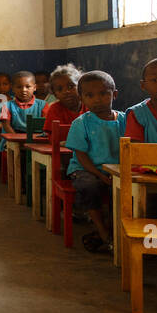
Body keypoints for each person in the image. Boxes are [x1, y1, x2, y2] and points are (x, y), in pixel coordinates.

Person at [64, 71, 124, 253]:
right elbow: (81, 155)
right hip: (87, 169)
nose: (97, 99)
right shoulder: (81, 123)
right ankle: (103, 231)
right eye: (89, 95)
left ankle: (118, 234)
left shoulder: (125, 119)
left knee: (126, 192)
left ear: (114, 94)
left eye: (104, 94)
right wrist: (100, 174)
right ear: (81, 98)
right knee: (90, 186)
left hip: (117, 170)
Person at [0, 71, 46, 151]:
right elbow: (6, 126)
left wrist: (33, 140)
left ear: (34, 87)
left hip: (36, 140)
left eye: (28, 87)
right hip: (13, 139)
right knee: (12, 150)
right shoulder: (6, 105)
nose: (24, 90)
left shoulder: (43, 105)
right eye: (19, 87)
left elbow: (46, 126)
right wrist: (18, 141)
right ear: (13, 88)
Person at [43, 64, 84, 135]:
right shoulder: (54, 109)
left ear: (80, 87)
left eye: (71, 86)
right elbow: (53, 135)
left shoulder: (90, 107)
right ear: (55, 94)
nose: (66, 91)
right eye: (59, 89)